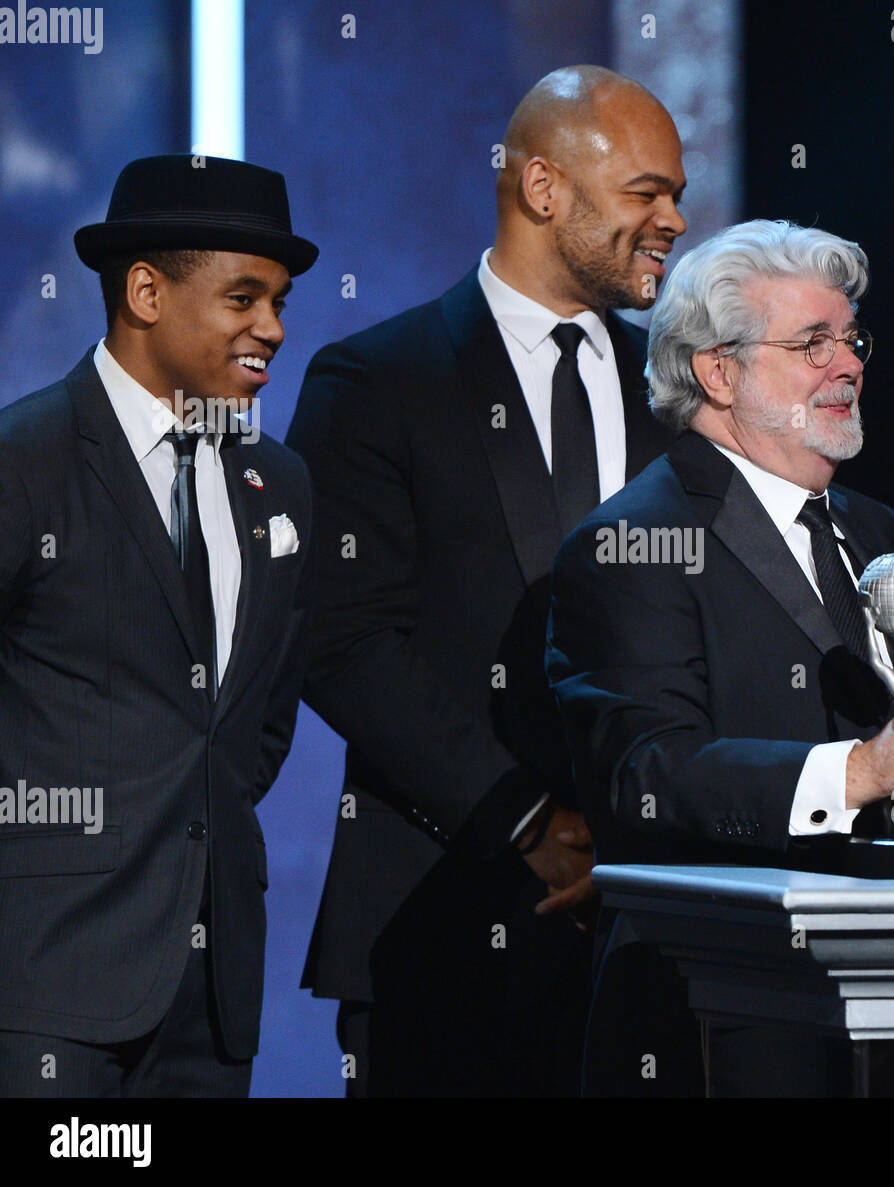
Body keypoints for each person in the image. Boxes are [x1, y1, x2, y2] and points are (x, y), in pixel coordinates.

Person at [546, 219, 894, 1096]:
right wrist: (859, 770)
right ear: (719, 371)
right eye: (812, 343)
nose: (847, 364)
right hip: (737, 1022)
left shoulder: (880, 530)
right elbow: (645, 769)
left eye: (850, 339)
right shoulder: (630, 541)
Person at [290, 65, 685, 1096]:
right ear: (544, 188)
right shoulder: (377, 382)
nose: (673, 219)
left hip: (659, 929)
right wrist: (528, 821)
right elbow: (341, 638)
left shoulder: (679, 396)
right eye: (647, 192)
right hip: (445, 917)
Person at [0, 154, 317, 1096]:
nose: (274, 328)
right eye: (245, 298)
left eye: (282, 301)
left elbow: (258, 724)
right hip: (46, 994)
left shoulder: (279, 482)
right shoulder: (25, 462)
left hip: (211, 999)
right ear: (145, 291)